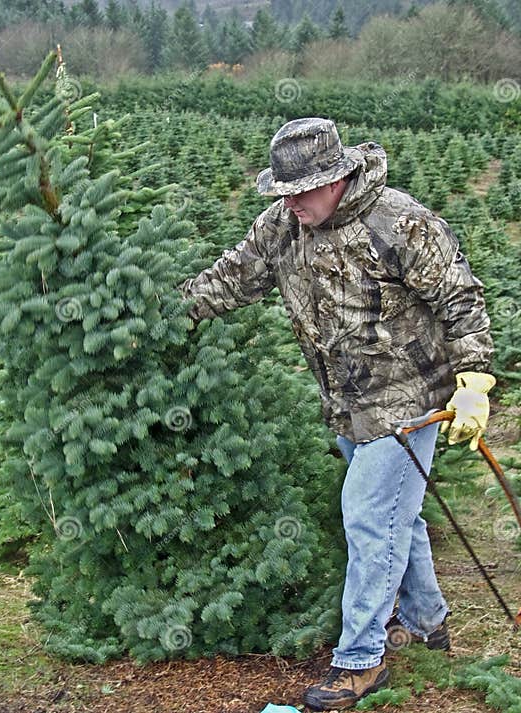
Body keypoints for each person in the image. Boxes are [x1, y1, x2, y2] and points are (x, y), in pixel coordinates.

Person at [179, 118, 495, 710]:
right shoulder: (283, 226)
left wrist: (474, 381)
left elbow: (461, 298)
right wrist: (163, 315)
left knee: (369, 519)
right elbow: (231, 279)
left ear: (339, 178)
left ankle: (359, 662)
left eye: (301, 191)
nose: (291, 203)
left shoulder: (400, 224)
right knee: (400, 517)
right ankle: (428, 624)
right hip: (344, 405)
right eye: (283, 192)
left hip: (408, 403)